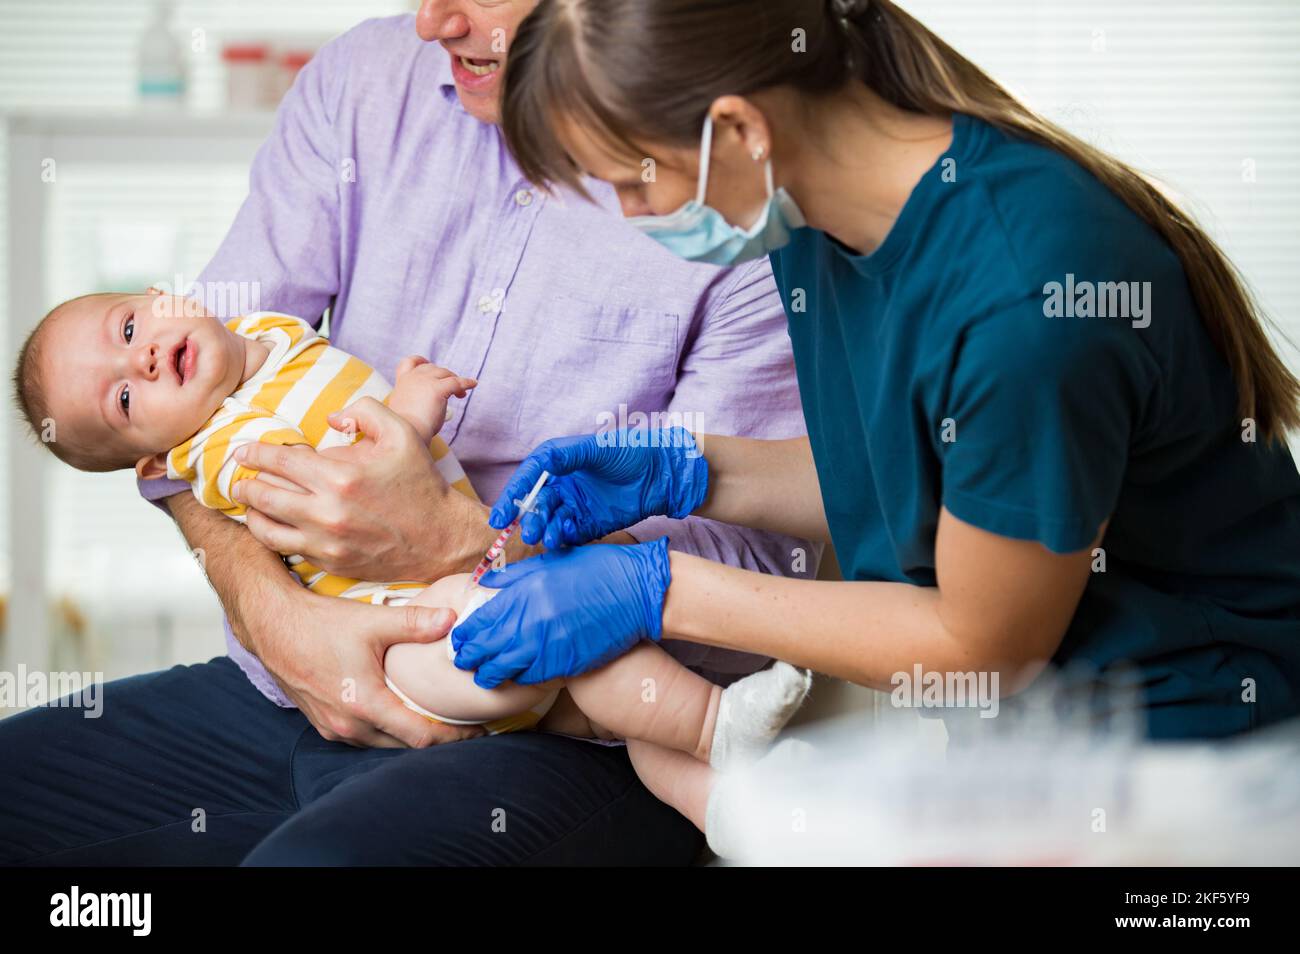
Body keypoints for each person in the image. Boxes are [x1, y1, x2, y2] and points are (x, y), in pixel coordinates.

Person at [0, 5, 813, 866]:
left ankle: (715, 756)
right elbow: (182, 420)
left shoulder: (720, 187)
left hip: (566, 727)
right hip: (282, 681)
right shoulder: (361, 86)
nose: (434, 21)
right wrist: (276, 616)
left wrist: (458, 542)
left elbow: (754, 575)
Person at [450, 0, 1300, 743]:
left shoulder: (1027, 305)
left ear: (740, 131)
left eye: (636, 181)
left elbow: (982, 647)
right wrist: (693, 469)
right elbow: (931, 480)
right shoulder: (811, 224)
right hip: (1042, 739)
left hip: (1197, 742)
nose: (632, 217)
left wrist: (658, 587)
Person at [12, 292, 813, 841]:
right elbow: (345, 481)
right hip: (408, 637)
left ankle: (731, 812)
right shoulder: (221, 450)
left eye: (126, 330)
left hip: (466, 583)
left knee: (607, 691)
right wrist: (409, 412)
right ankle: (718, 728)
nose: (143, 360)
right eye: (122, 400)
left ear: (160, 293)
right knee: (569, 644)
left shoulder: (270, 333)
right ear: (156, 456)